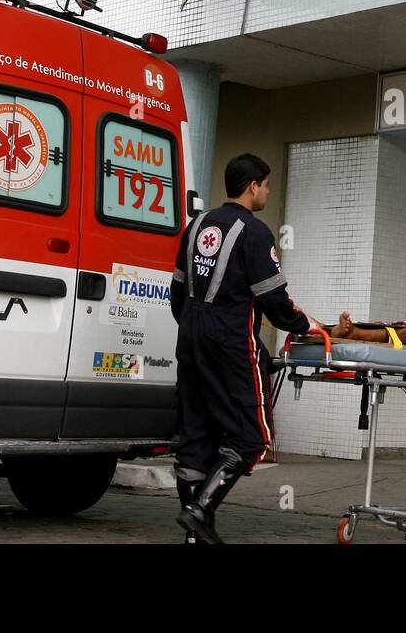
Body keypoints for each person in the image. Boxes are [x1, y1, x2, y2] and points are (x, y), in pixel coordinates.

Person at [169, 153, 326, 544]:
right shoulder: (254, 233)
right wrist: (307, 325)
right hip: (230, 340)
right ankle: (201, 510)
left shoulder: (196, 226)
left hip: (189, 334)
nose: (268, 192)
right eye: (267, 185)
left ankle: (196, 536)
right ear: (253, 185)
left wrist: (193, 326)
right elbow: (274, 300)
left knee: (196, 431)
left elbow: (177, 289)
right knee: (251, 436)